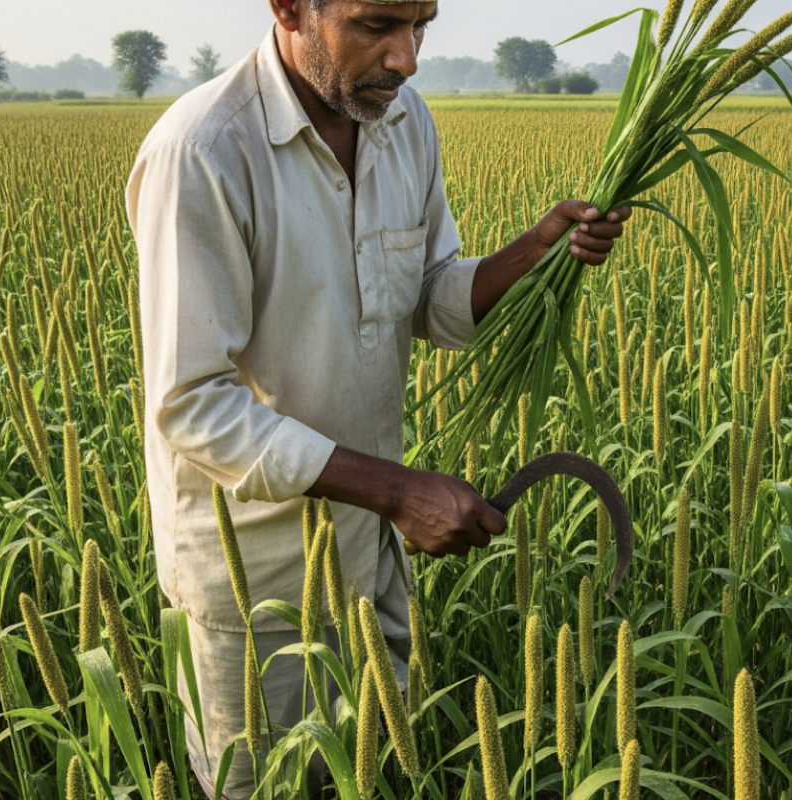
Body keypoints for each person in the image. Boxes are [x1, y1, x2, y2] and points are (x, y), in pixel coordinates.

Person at [125, 0, 631, 796]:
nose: (408, 57)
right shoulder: (205, 153)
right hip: (260, 592)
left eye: (422, 24)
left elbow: (430, 295)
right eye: (375, 26)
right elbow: (194, 404)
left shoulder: (402, 122)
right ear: (289, 7)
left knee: (378, 779)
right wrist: (398, 491)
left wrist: (536, 250)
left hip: (371, 560)